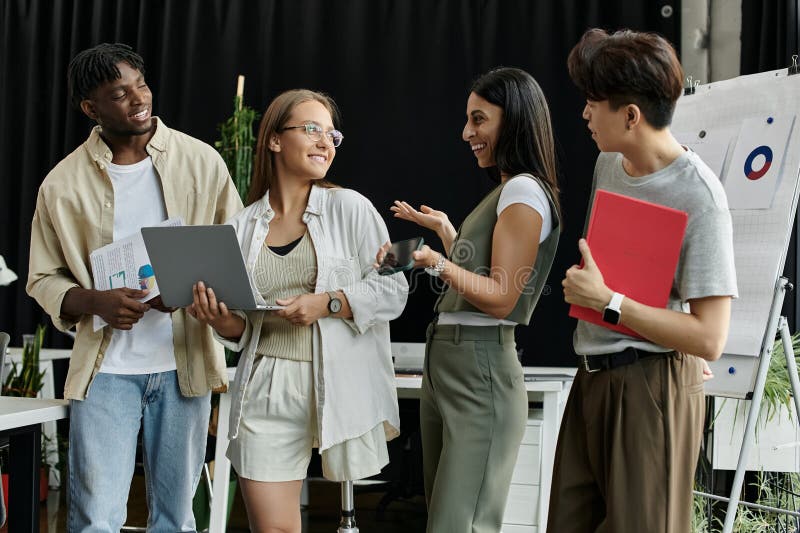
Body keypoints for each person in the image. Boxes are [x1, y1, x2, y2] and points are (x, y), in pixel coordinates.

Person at [26, 43, 243, 531]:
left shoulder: (201, 162)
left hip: (183, 366)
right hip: (105, 373)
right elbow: (42, 278)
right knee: (95, 521)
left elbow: (237, 251)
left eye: (140, 85)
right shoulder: (61, 185)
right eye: (119, 94)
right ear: (91, 108)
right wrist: (94, 301)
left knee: (176, 520)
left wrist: (186, 287)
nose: (139, 98)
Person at [189, 89, 408, 533]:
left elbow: (395, 288)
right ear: (274, 139)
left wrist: (326, 303)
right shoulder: (241, 226)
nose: (325, 142)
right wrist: (219, 320)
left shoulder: (353, 208)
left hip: (339, 381)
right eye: (311, 129)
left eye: (332, 134)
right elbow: (245, 326)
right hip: (266, 382)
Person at [549, 29, 738, 533]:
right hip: (592, 378)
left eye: (593, 104)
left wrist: (608, 301)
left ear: (630, 115)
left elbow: (710, 337)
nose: (584, 114)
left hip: (650, 388)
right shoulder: (608, 163)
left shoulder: (700, 196)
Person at [385, 67, 561, 532]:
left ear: (514, 119)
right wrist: (447, 232)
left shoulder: (523, 190)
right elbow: (483, 274)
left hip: (478, 368)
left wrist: (433, 261)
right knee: (447, 519)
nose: (467, 133)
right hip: (451, 363)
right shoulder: (508, 190)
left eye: (479, 119)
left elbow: (501, 298)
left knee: (458, 524)